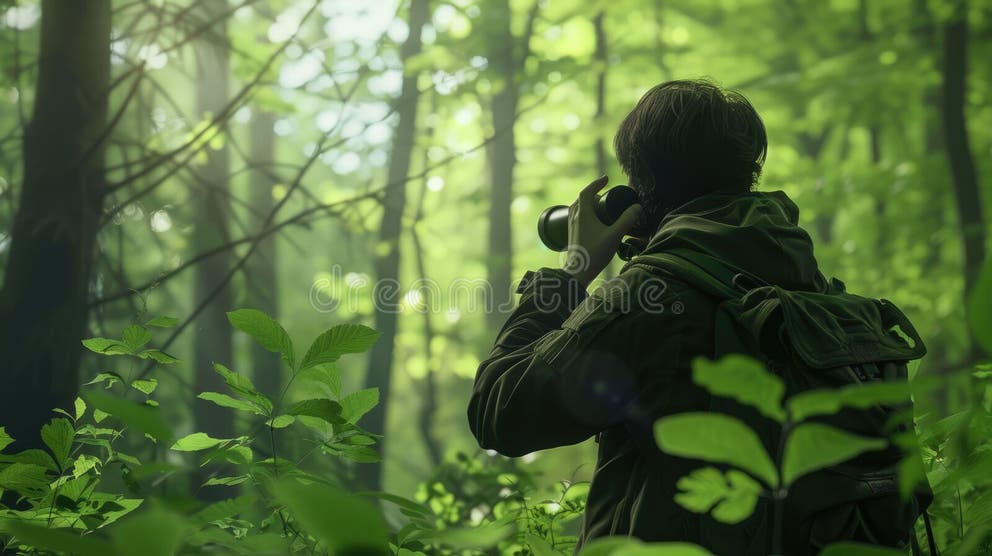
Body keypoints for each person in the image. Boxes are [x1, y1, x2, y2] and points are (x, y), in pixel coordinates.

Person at [467, 79, 927, 554]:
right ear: (747, 170)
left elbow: (499, 412)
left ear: (637, 188)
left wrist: (574, 272)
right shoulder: (813, 287)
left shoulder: (652, 296)